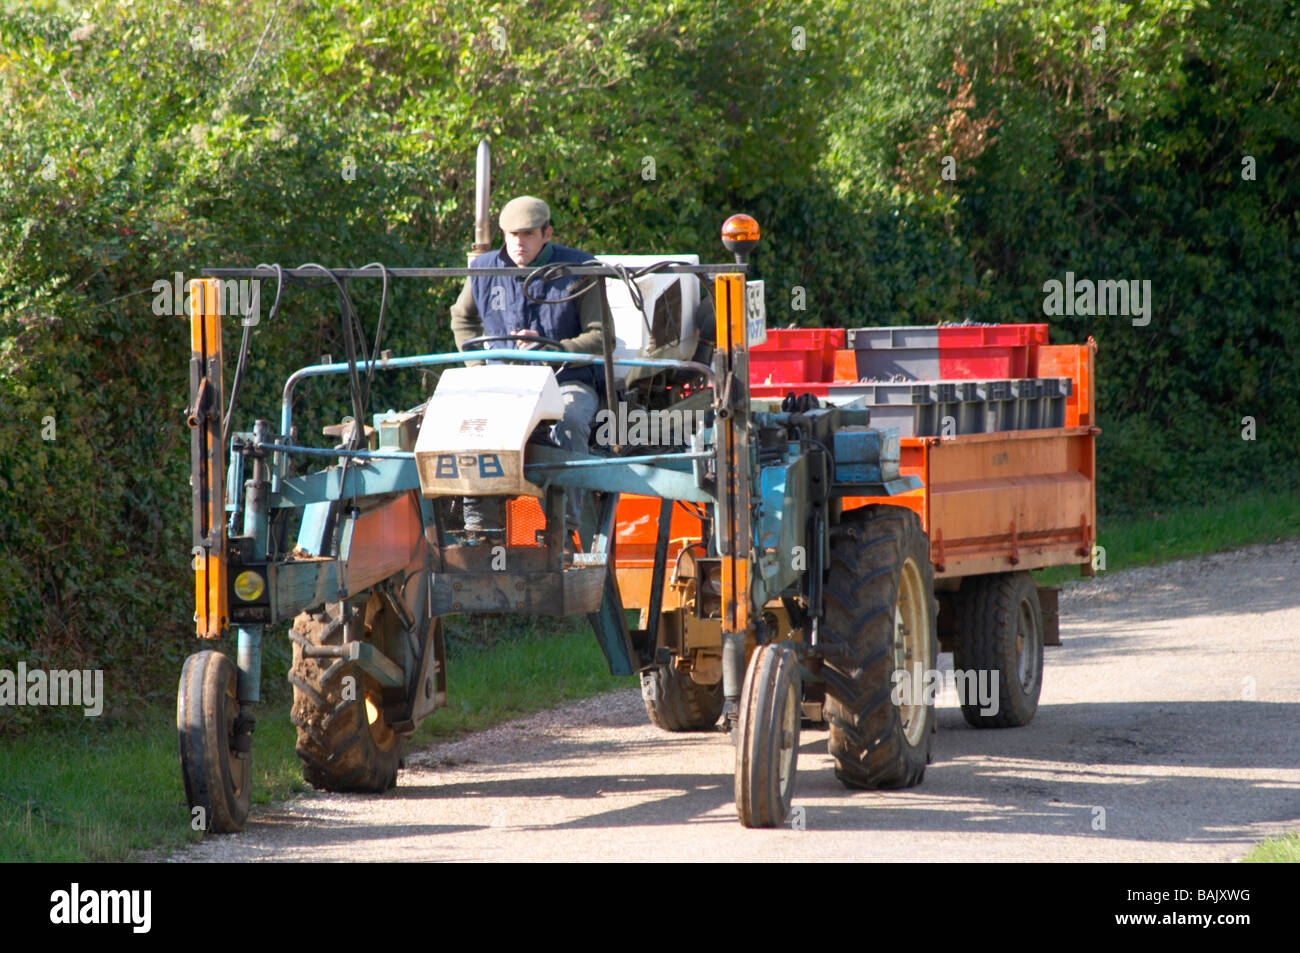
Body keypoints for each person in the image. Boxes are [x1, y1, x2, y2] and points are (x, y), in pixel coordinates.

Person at [449, 195, 603, 536]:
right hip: (504, 383)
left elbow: (601, 335)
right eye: (511, 234)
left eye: (528, 234)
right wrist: (478, 367)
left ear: (547, 233)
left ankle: (563, 529)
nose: (518, 242)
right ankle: (483, 530)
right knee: (472, 424)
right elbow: (462, 319)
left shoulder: (581, 270)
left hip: (566, 378)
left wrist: (556, 348)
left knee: (571, 422)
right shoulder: (483, 269)